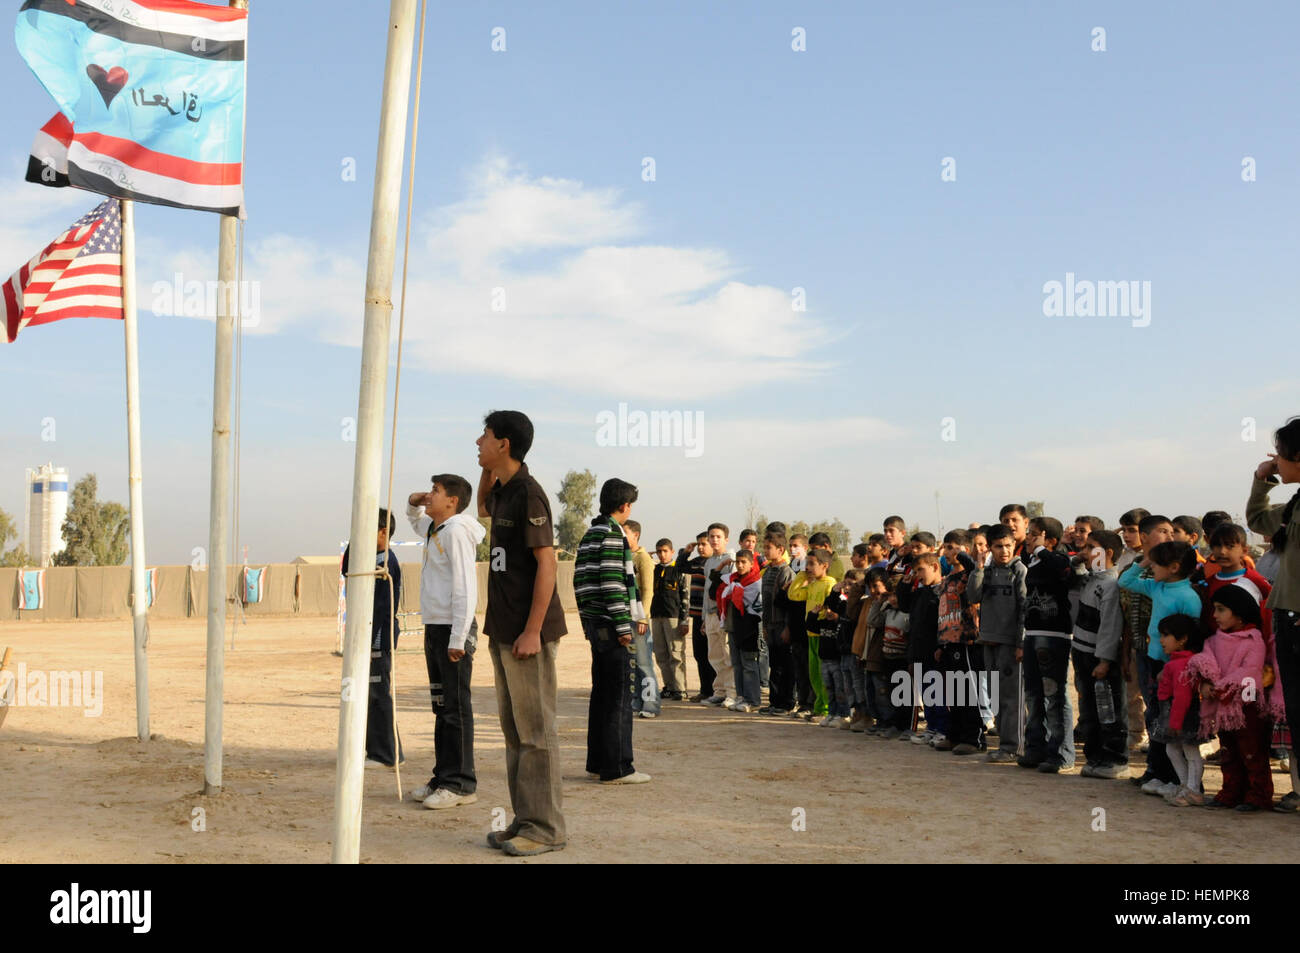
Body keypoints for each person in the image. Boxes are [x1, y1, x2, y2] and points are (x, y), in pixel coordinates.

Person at [475, 410, 568, 857]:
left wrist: (533, 630)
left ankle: (546, 828)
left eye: (486, 436)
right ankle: (525, 818)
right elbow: (482, 509)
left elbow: (547, 564)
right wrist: (485, 472)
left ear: (505, 443)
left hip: (527, 633)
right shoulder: (503, 490)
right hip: (504, 628)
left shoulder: (529, 495)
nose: (478, 441)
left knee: (536, 733)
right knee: (514, 733)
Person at [405, 474, 485, 809]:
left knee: (455, 706)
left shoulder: (456, 532)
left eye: (435, 491)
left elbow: (466, 586)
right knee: (440, 705)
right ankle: (442, 775)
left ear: (452, 500)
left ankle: (461, 783)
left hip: (453, 628)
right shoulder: (437, 529)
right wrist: (415, 500)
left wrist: (458, 637)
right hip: (435, 625)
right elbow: (413, 521)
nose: (429, 496)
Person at [575, 477, 651, 786]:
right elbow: (612, 584)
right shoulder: (611, 535)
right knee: (618, 697)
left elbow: (580, 582)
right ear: (625, 506)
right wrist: (623, 627)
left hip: (596, 624)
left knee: (602, 696)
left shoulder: (590, 534)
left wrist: (586, 623)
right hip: (611, 625)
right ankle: (618, 767)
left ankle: (598, 763)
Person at [1187, 585, 1286, 811]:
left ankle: (1258, 796)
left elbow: (1249, 672)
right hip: (1223, 709)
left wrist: (1220, 687)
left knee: (1252, 752)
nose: (1215, 615)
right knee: (1228, 751)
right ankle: (1230, 792)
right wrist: (1205, 684)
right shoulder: (1213, 641)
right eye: (1214, 609)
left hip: (1247, 709)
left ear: (1240, 613)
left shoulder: (1254, 640)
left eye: (1221, 610)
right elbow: (1205, 661)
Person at [1120, 536, 1202, 798]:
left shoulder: (1188, 598)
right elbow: (1125, 581)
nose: (1150, 569)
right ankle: (1160, 774)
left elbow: (1192, 638)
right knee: (1155, 718)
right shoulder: (1157, 587)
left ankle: (1183, 782)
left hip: (1176, 669)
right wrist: (1145, 560)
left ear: (1174, 567)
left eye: (1155, 564)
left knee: (1175, 726)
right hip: (1153, 661)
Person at [1246, 416, 1300, 811]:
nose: (1275, 462)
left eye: (1280, 456)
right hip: (1289, 616)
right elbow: (1256, 519)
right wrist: (1263, 479)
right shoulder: (1294, 506)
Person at [343, 509, 404, 769]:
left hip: (377, 638)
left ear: (383, 532)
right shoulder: (367, 559)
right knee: (367, 694)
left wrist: (372, 643)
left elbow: (383, 608)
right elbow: (346, 567)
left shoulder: (387, 563)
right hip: (365, 636)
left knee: (379, 695)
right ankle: (380, 749)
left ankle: (385, 754)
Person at [1018, 517, 1075, 773]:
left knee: (1054, 694)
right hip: (1032, 633)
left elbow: (1062, 570)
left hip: (1053, 635)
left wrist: (1043, 548)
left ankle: (1061, 753)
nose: (1028, 539)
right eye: (1028, 534)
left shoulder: (1059, 559)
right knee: (1033, 694)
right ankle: (1035, 748)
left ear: (1049, 540)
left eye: (1034, 535)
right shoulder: (1031, 560)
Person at [1071, 530, 1129, 779]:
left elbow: (1110, 626)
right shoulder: (1091, 579)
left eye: (1090, 548)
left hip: (1099, 659)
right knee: (1088, 710)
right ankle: (1094, 756)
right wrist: (1078, 560)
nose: (1084, 553)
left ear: (1108, 554)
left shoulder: (1110, 585)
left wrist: (1105, 660)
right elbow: (1077, 571)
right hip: (1082, 653)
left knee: (1109, 710)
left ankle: (1115, 759)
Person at [968, 524, 1027, 763]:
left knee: (1012, 697)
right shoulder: (987, 570)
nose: (1004, 551)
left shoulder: (1019, 570)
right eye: (999, 546)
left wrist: (1021, 642)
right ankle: (1005, 744)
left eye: (1008, 546)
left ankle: (1015, 747)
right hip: (989, 640)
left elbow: (1024, 608)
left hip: (1010, 643)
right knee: (995, 696)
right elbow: (973, 596)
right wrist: (979, 567)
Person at [1152, 614, 1206, 806]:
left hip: (1184, 715)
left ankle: (1193, 790)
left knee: (1190, 751)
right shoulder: (1176, 662)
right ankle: (1185, 785)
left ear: (1183, 639)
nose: (1161, 640)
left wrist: (1175, 723)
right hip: (1175, 713)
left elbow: (1182, 697)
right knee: (1173, 749)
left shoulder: (1183, 664)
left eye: (1166, 635)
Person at [936, 530, 982, 755]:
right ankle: (954, 734)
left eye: (953, 547)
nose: (948, 551)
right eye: (946, 547)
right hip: (948, 640)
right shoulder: (946, 580)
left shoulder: (970, 576)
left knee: (968, 690)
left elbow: (974, 569)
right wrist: (940, 643)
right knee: (952, 692)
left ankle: (973, 737)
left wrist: (965, 556)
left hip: (966, 639)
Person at [788, 548, 837, 721]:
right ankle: (818, 706)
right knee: (814, 674)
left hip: (822, 635)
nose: (807, 567)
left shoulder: (829, 584)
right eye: (806, 564)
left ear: (824, 565)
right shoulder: (812, 583)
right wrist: (801, 577)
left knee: (824, 674)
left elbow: (830, 608)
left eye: (811, 564)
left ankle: (825, 709)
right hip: (810, 635)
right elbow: (793, 595)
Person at [717, 548, 764, 712]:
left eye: (744, 562)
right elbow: (715, 593)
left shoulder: (756, 583)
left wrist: (737, 592)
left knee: (749, 665)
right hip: (733, 627)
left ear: (752, 564)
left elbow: (756, 609)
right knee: (737, 664)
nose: (740, 565)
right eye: (738, 562)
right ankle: (742, 697)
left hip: (749, 629)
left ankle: (753, 700)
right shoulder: (731, 581)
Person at [624, 519, 659, 719]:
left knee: (644, 663)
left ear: (635, 535)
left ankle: (651, 704)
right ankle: (637, 700)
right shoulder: (625, 556)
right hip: (626, 617)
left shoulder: (643, 558)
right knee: (632, 664)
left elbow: (647, 591)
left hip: (638, 619)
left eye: (625, 533)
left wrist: (643, 619)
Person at [699, 523, 736, 708]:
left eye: (718, 536)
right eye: (711, 536)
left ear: (726, 539)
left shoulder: (731, 560)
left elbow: (731, 590)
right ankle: (719, 691)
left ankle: (732, 693)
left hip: (724, 614)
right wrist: (704, 618)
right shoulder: (708, 562)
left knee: (728, 654)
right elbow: (707, 591)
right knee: (714, 655)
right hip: (711, 614)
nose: (714, 540)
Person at [760, 529, 795, 714]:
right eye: (764, 547)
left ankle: (786, 703)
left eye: (769, 547)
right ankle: (774, 702)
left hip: (782, 625)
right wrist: (765, 626)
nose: (765, 551)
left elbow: (789, 605)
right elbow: (765, 602)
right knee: (774, 666)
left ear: (781, 549)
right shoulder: (767, 571)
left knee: (785, 666)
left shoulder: (786, 572)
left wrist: (788, 628)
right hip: (770, 625)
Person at [650, 537, 690, 701]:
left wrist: (684, 620)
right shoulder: (654, 569)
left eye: (665, 551)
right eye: (659, 551)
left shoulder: (678, 569)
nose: (662, 554)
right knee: (660, 653)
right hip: (656, 616)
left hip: (673, 616)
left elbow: (684, 596)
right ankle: (669, 687)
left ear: (672, 552)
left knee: (676, 653)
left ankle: (680, 689)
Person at [679, 532, 715, 701]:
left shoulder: (714, 563)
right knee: (699, 654)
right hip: (696, 615)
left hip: (709, 614)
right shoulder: (696, 563)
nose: (700, 547)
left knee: (712, 655)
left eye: (704, 544)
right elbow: (679, 567)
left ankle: (715, 690)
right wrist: (686, 551)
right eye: (699, 544)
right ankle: (705, 690)